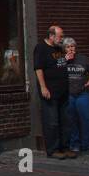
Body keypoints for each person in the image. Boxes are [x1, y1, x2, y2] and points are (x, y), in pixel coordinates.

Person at [33, 23, 73, 159]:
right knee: (52, 121)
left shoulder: (59, 48)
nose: (62, 39)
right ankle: (53, 149)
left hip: (63, 90)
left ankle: (65, 147)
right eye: (60, 36)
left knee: (65, 121)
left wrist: (67, 58)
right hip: (50, 91)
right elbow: (38, 69)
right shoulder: (41, 48)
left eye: (62, 36)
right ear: (51, 36)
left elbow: (59, 64)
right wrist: (43, 87)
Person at [64, 37, 89, 154]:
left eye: (72, 46)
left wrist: (87, 84)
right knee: (71, 120)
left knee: (86, 119)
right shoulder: (61, 60)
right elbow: (55, 72)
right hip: (68, 95)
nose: (70, 49)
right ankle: (74, 145)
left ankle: (88, 144)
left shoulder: (83, 59)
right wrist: (64, 60)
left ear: (75, 47)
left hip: (82, 94)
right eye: (68, 47)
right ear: (64, 49)